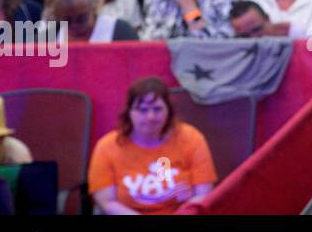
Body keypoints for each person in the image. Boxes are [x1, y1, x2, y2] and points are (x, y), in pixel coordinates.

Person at [88, 77, 217, 214]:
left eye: (157, 109)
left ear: (169, 111)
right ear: (129, 112)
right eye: (142, 110)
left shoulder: (192, 138)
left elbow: (203, 195)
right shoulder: (106, 146)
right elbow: (106, 202)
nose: (151, 116)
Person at [43, 0, 139, 42]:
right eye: (67, 20)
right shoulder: (46, 39)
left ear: (94, 8)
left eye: (81, 19)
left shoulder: (119, 32)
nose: (74, 25)